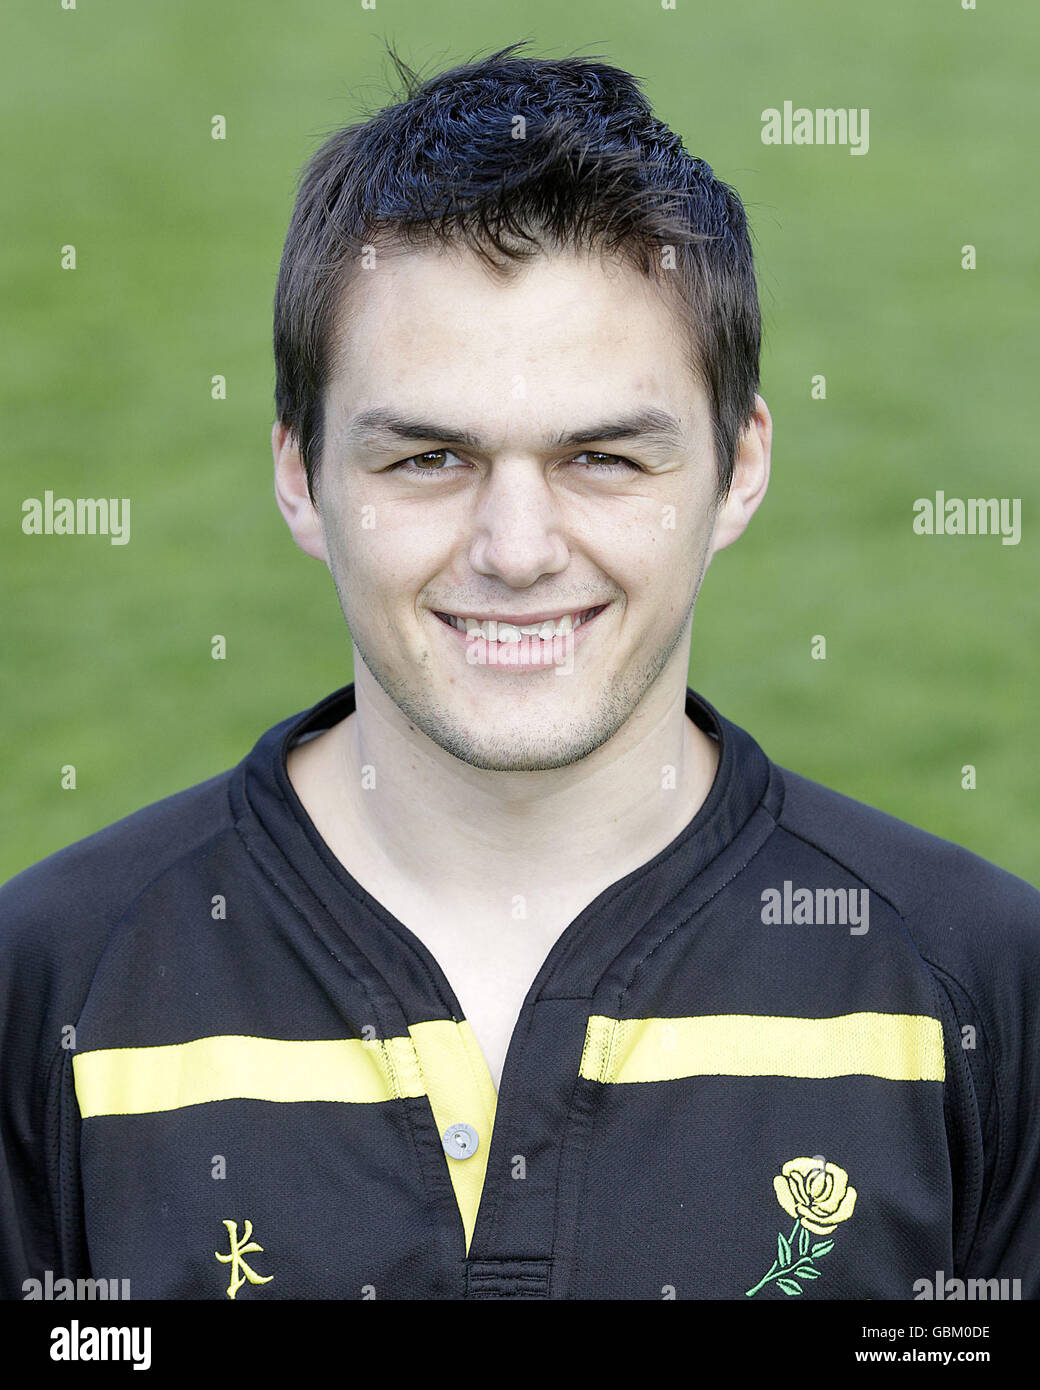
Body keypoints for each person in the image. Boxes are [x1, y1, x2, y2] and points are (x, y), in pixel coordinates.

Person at [2, 43, 1037, 1303]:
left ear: (739, 466)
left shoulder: (974, 988)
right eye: (427, 458)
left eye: (602, 457)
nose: (515, 549)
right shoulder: (50, 985)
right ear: (299, 474)